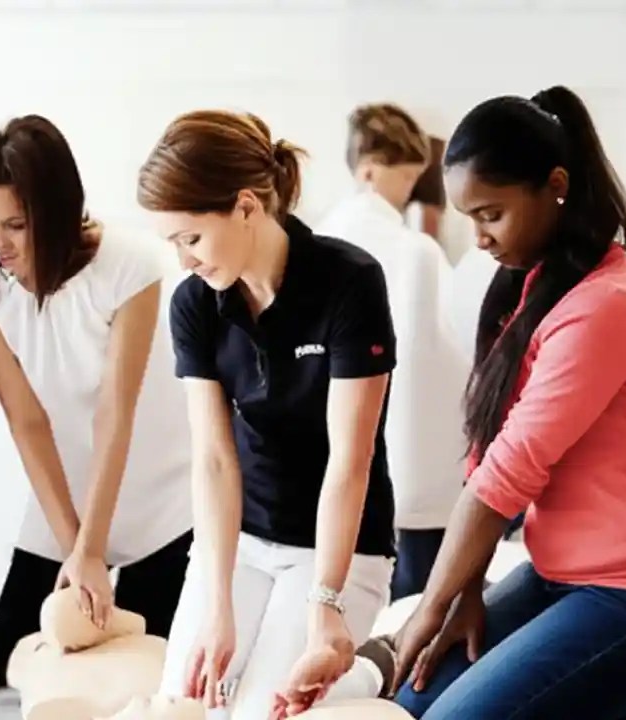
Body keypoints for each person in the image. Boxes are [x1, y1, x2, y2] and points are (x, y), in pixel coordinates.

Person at [390, 86, 626, 719]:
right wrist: (465, 589)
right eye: (470, 219)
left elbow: (506, 474)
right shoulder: (535, 284)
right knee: (414, 699)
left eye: (491, 214)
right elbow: (488, 440)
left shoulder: (606, 304)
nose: (480, 239)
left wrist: (428, 606)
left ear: (555, 185)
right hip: (562, 575)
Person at [137, 110, 399, 718]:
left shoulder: (349, 282)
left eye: (192, 239)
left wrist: (325, 607)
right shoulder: (195, 304)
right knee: (189, 705)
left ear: (248, 207)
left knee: (261, 713)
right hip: (242, 537)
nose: (185, 261)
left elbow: (349, 462)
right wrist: (218, 605)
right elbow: (213, 460)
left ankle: (368, 667)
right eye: (172, 244)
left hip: (336, 544)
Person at [0, 115, 193, 685]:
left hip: (160, 502)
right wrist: (77, 551)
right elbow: (28, 422)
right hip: (63, 501)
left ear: (56, 212)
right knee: (6, 655)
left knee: (157, 658)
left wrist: (95, 547)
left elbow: (117, 410)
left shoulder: (129, 265)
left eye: (15, 223)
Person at [316, 103, 469, 601]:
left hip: (333, 444)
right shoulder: (412, 251)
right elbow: (455, 346)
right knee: (416, 595)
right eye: (405, 179)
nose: (409, 192)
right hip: (413, 447)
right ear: (369, 171)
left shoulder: (318, 243)